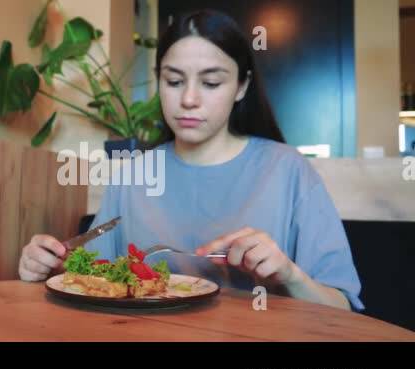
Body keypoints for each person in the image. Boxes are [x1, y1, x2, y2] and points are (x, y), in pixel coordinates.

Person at [18, 9, 363, 311]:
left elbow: (341, 308)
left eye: (211, 82)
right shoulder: (135, 173)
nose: (189, 99)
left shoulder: (289, 170)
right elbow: (96, 283)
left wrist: (288, 274)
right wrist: (50, 266)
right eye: (174, 81)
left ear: (241, 87)